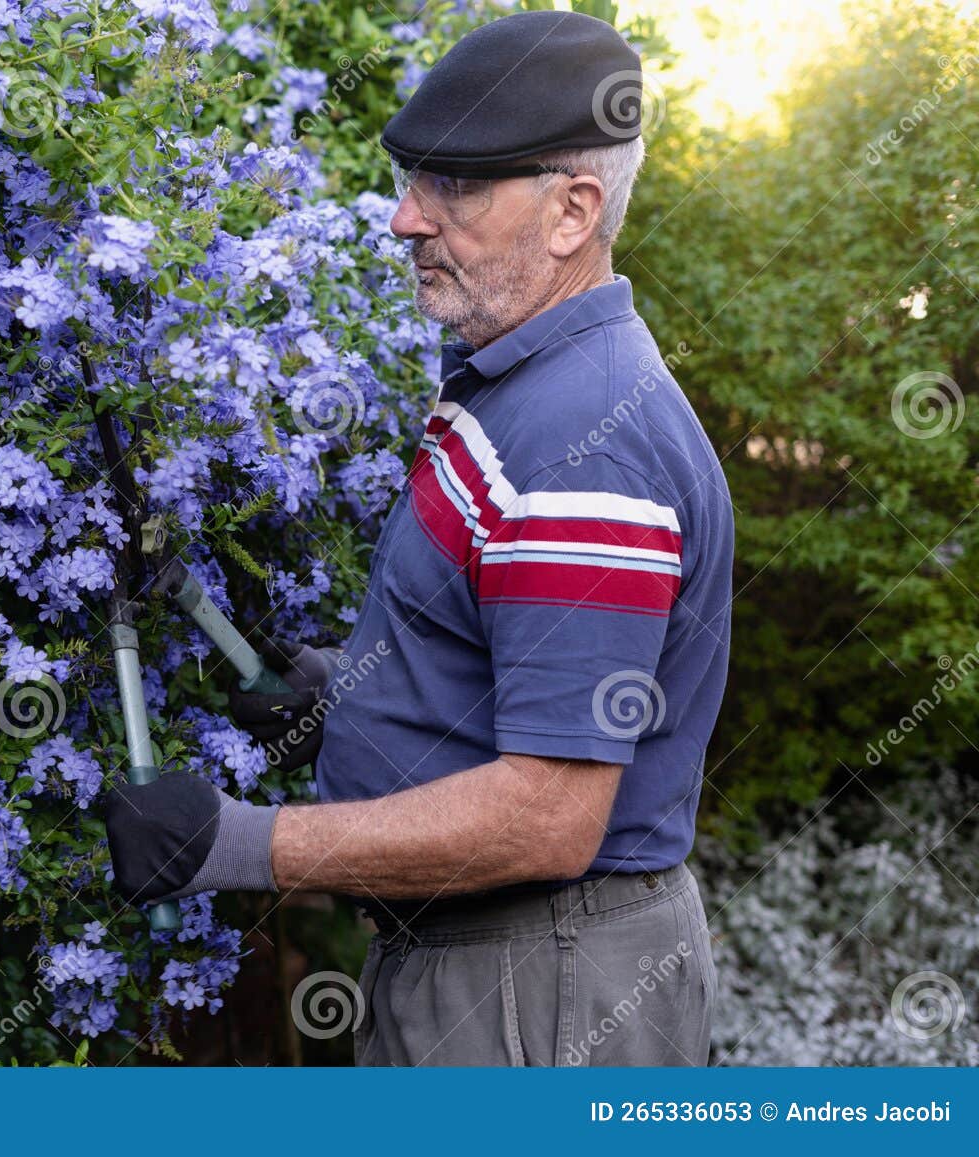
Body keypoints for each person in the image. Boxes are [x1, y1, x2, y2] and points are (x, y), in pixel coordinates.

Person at [106, 9, 734, 1067]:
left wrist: (233, 842)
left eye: (453, 188)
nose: (405, 219)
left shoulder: (584, 449)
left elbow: (545, 815)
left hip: (534, 988)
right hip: (498, 965)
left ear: (572, 210)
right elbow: (500, 663)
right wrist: (348, 696)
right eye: (413, 181)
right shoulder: (525, 387)